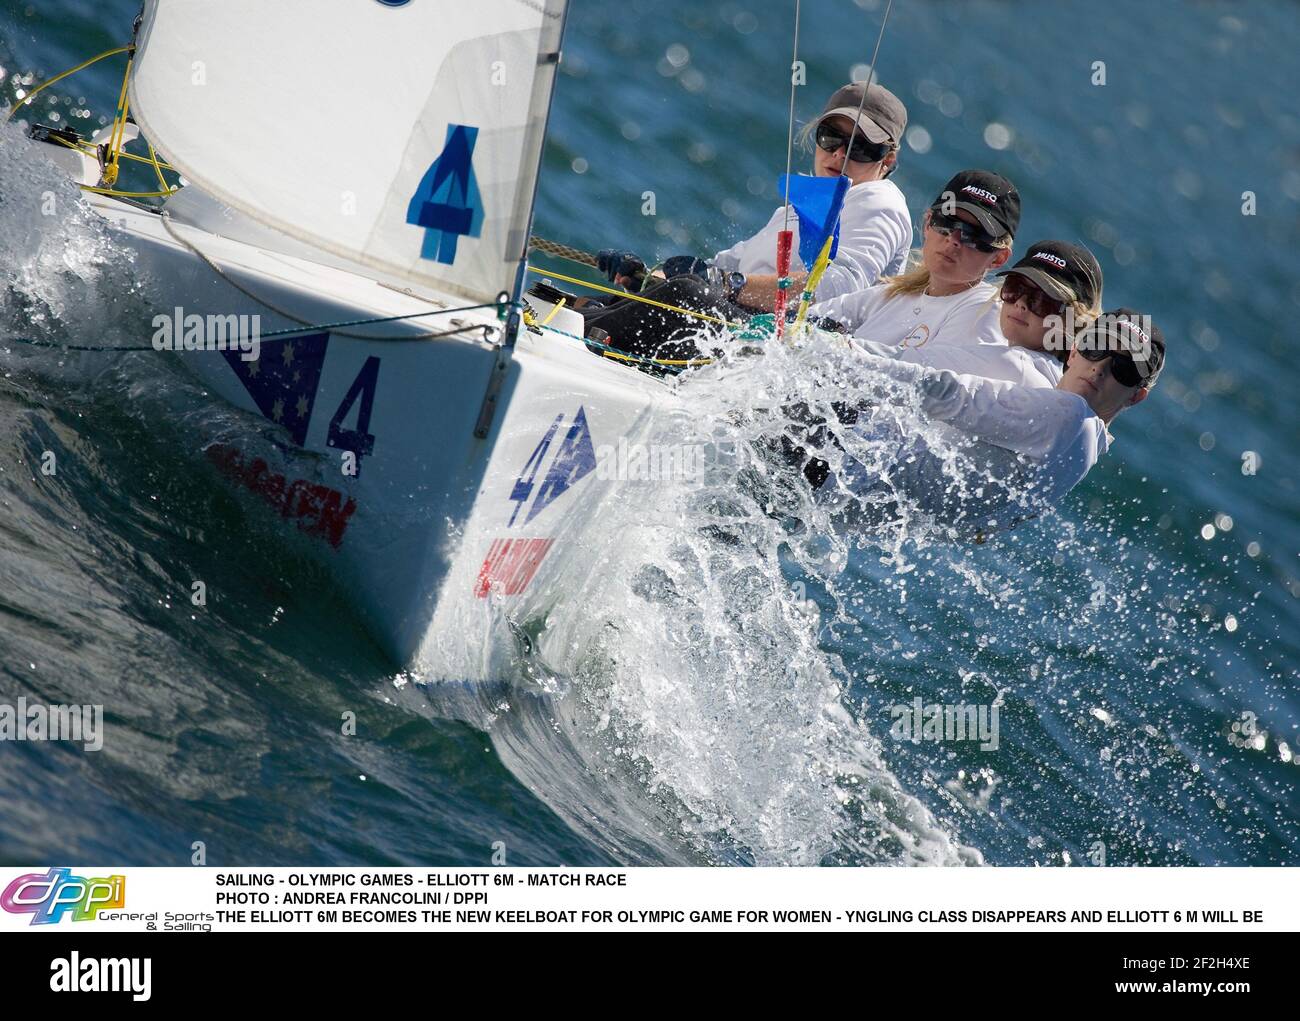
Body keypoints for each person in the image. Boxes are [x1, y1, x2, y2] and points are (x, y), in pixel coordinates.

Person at [578, 81, 912, 359]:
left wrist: (728, 284)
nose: (839, 153)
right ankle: (584, 321)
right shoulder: (800, 207)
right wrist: (647, 279)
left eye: (861, 147)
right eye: (830, 137)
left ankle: (577, 334)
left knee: (685, 294)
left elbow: (835, 289)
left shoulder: (879, 202)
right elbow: (724, 267)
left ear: (889, 159)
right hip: (749, 331)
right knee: (657, 291)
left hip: (786, 357)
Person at [806, 308, 1165, 534]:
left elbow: (943, 393)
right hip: (827, 504)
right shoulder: (1078, 461)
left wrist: (835, 355)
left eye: (1123, 368)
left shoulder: (1068, 416)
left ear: (1137, 395)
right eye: (1097, 348)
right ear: (1074, 349)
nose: (1100, 367)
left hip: (827, 446)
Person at [810, 169, 1019, 352]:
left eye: (975, 236)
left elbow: (935, 382)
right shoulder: (892, 294)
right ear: (928, 223)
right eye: (946, 222)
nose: (954, 239)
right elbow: (807, 319)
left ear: (999, 258)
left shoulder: (984, 313)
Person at [850, 239, 1104, 389]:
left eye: (1043, 301)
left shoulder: (1015, 366)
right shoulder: (1051, 382)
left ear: (1074, 322)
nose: (1022, 304)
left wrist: (837, 345)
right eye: (1016, 289)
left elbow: (897, 363)